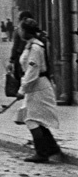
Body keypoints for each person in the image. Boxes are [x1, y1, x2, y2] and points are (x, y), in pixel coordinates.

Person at [15, 18, 64, 163]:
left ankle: (42, 153)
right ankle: (52, 148)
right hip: (35, 87)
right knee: (36, 120)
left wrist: (22, 90)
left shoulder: (35, 48)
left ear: (26, 31)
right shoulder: (30, 46)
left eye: (20, 29)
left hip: (38, 87)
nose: (19, 31)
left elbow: (32, 71)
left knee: (31, 120)